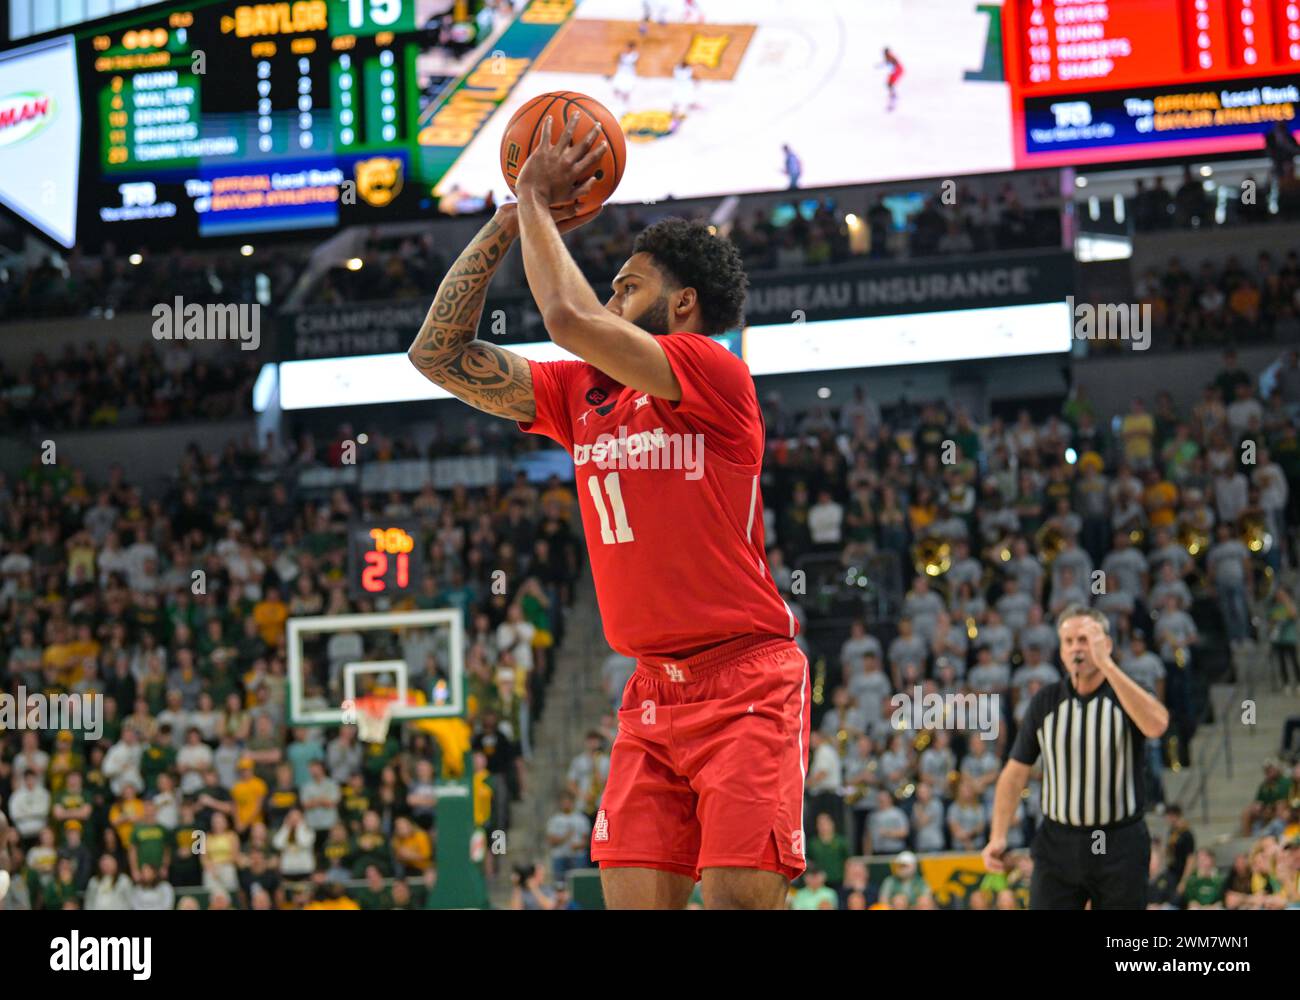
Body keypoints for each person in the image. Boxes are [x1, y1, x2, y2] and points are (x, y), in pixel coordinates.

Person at [408, 113, 806, 910]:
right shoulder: (579, 392)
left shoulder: (715, 374)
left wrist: (531, 194)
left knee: (735, 901)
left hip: (746, 681)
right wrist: (503, 224)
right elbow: (436, 355)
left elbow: (567, 318)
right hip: (651, 689)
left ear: (684, 304)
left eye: (629, 285)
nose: (612, 295)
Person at [983, 606, 1169, 909]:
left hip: (1119, 842)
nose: (1076, 649)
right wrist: (998, 835)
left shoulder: (1129, 695)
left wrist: (1107, 665)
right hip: (1058, 843)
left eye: (1085, 639)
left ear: (1106, 644)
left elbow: (1157, 725)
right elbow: (1015, 773)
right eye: (1068, 641)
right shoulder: (1045, 702)